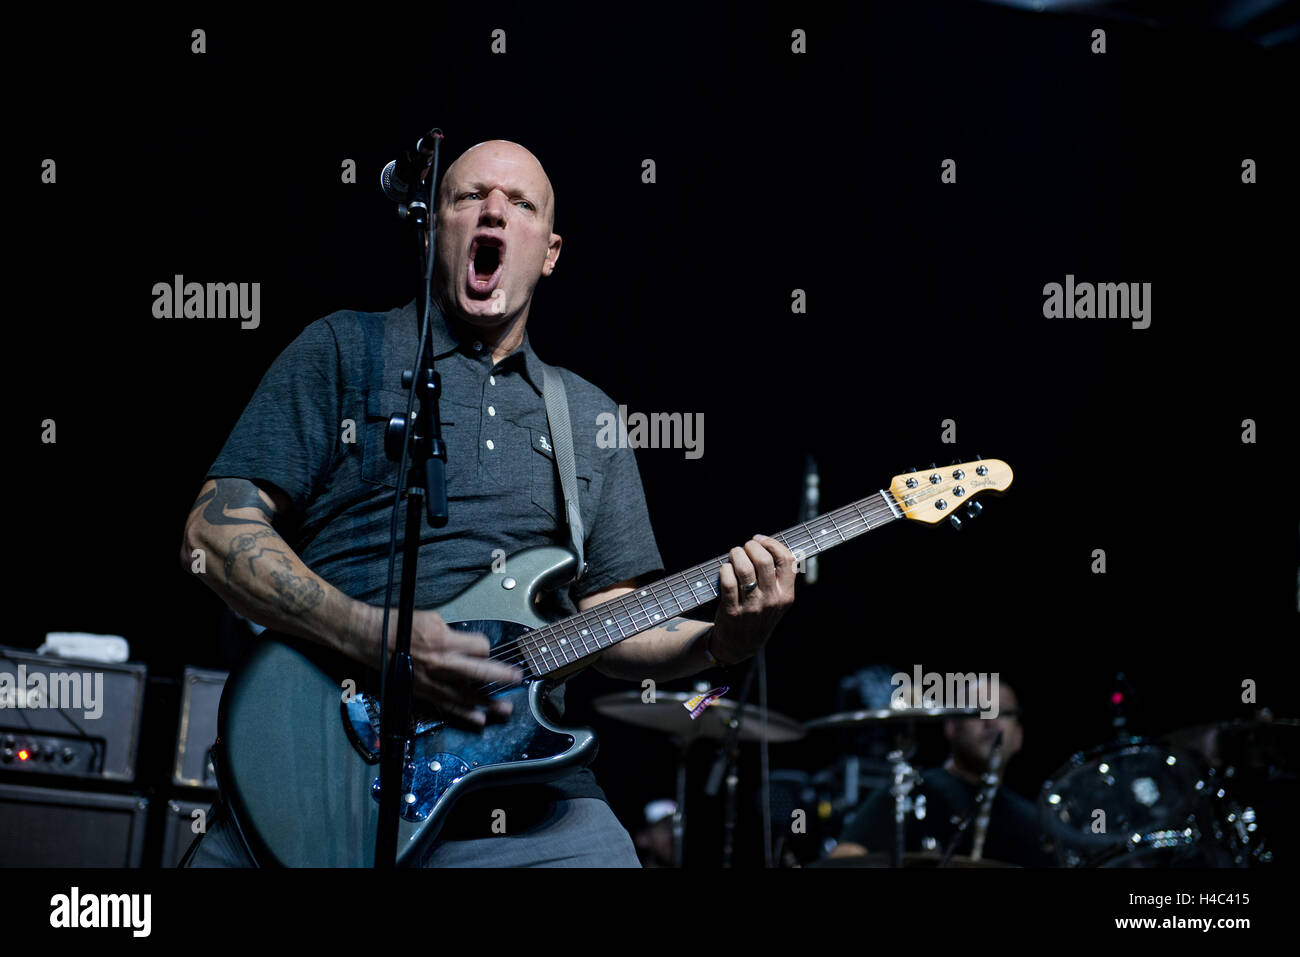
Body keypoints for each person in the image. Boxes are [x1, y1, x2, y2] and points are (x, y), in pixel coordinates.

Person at [178, 140, 796, 867]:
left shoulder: (588, 416)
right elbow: (213, 533)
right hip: (318, 752)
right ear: (434, 222)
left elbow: (611, 617)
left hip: (524, 791)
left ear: (551, 251)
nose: (494, 212)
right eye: (469, 196)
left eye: (522, 204)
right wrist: (373, 637)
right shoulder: (344, 349)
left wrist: (722, 642)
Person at [830, 680, 1053, 867]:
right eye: (977, 710)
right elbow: (845, 858)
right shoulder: (909, 794)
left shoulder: (1034, 822)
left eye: (1002, 712)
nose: (990, 722)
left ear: (1019, 737)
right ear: (951, 726)